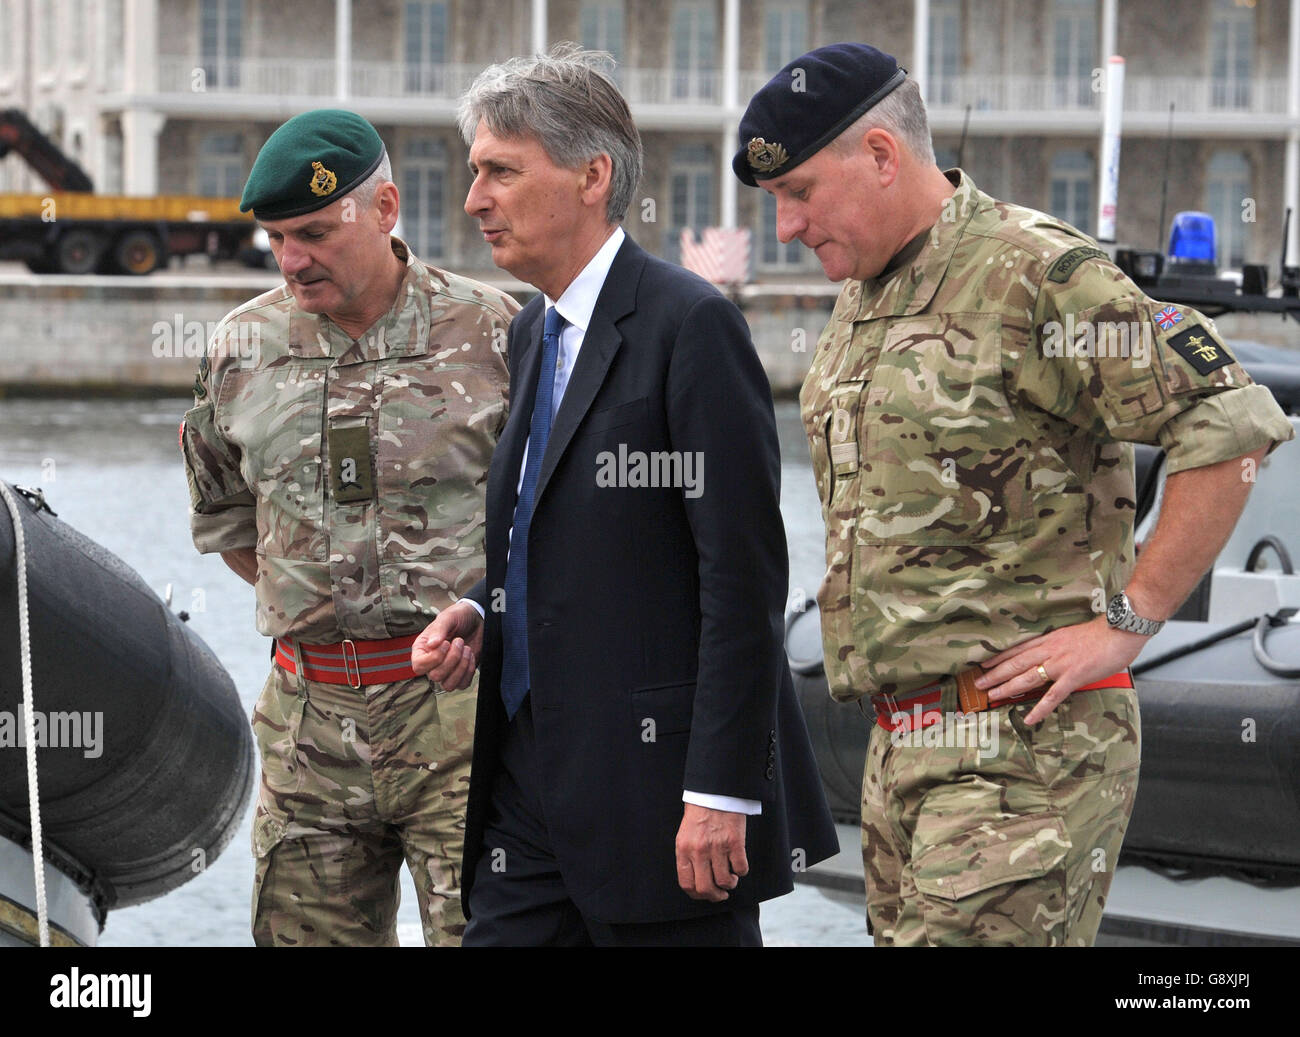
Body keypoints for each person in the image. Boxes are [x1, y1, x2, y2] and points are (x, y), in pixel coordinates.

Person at [733, 43, 1295, 946]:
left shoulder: (1040, 276)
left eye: (799, 193)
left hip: (1020, 752)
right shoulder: (862, 298)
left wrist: (1132, 615)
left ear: (880, 156)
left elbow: (1230, 423)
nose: (787, 227)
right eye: (775, 204)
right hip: (897, 748)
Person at [411, 45, 838, 947]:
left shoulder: (692, 325)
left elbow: (741, 578)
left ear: (592, 176)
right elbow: (571, 538)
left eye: (500, 172)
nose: (474, 200)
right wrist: (489, 612)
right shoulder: (533, 330)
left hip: (667, 812)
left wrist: (721, 790)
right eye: (473, 172)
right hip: (526, 798)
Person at [180, 109, 517, 946]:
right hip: (309, 726)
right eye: (276, 239)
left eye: (316, 233)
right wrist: (319, 607)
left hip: (464, 717)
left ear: (385, 208)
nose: (294, 259)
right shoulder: (240, 350)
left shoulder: (498, 334)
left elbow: (550, 526)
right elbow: (226, 518)